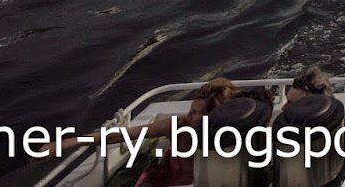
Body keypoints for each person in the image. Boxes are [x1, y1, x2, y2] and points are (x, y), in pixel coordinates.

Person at [50, 77, 237, 186]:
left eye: (195, 113)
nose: (188, 115)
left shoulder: (233, 138)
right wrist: (67, 143)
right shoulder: (180, 124)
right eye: (190, 109)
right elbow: (122, 135)